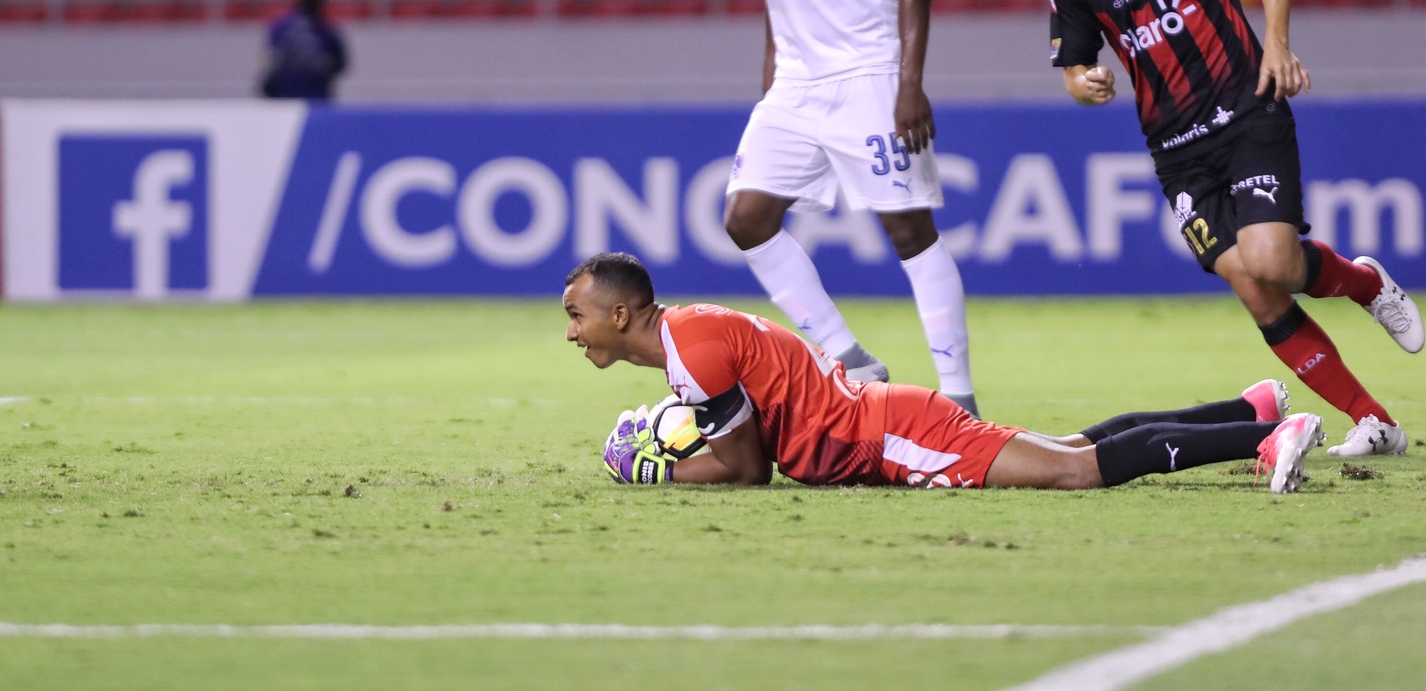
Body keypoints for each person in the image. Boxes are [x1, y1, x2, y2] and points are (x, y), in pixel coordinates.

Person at [1031, 0, 1425, 459]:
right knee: (1251, 284)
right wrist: (1082, 84)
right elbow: (1073, 64)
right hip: (1175, 150)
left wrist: (1276, 43)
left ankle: (1365, 285)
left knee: (1271, 259)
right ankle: (1373, 420)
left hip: (1245, 107)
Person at [562, 252, 1324, 495]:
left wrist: (656, 469)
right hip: (887, 415)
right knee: (1060, 445)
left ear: (621, 314)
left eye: (577, 315)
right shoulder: (692, 333)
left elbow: (747, 469)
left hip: (888, 437)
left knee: (1075, 472)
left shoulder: (690, 353)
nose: (572, 332)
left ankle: (1264, 439)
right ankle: (1246, 409)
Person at [725, 0, 979, 416]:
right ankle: (850, 358)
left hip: (868, 74)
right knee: (745, 220)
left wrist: (908, 86)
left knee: (907, 231)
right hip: (795, 85)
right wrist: (769, 89)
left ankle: (958, 398)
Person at [259, 0, 347, 100]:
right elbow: (341, 64)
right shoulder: (328, 30)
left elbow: (268, 61)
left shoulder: (280, 27)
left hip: (293, 100)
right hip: (311, 99)